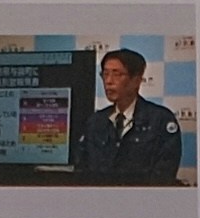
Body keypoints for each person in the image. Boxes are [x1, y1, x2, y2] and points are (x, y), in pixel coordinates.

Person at [76, 45, 184, 184]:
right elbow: (82, 170)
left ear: (136, 80)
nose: (108, 81)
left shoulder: (160, 120)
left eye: (117, 74)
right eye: (105, 74)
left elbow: (164, 174)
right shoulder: (96, 121)